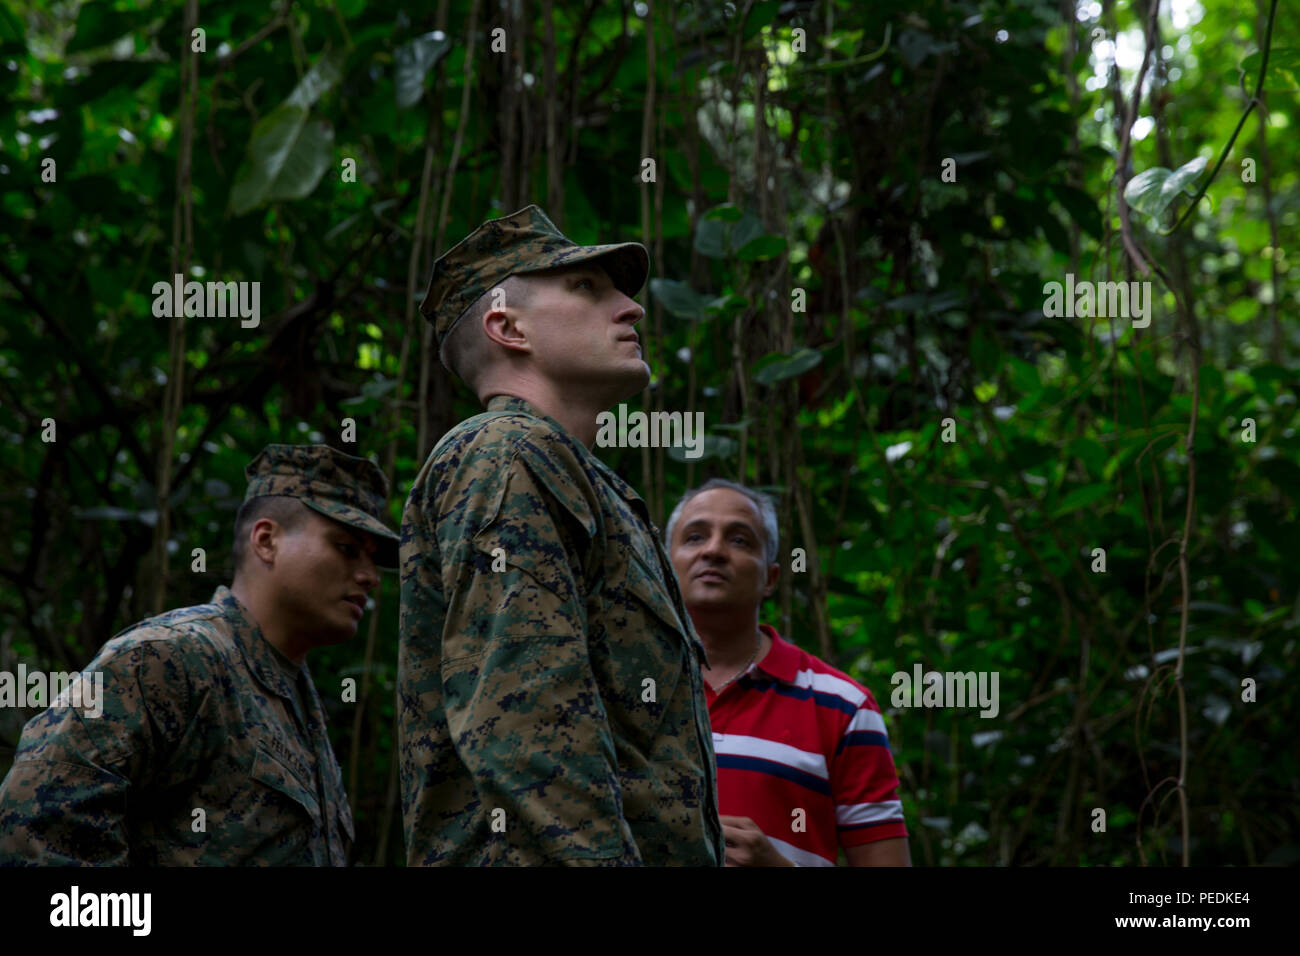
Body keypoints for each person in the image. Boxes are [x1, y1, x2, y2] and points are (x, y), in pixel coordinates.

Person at [399, 203, 723, 866]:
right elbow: (526, 729)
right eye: (588, 289)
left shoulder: (586, 482)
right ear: (508, 327)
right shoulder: (506, 454)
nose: (631, 308)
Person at [0, 444, 400, 865]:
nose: (370, 577)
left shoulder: (299, 704)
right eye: (347, 548)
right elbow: (34, 825)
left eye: (373, 560)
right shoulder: (169, 658)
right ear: (267, 541)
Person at [666, 478, 911, 866]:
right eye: (695, 537)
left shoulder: (844, 707)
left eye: (740, 540)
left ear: (771, 579)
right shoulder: (620, 688)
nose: (713, 550)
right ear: (664, 565)